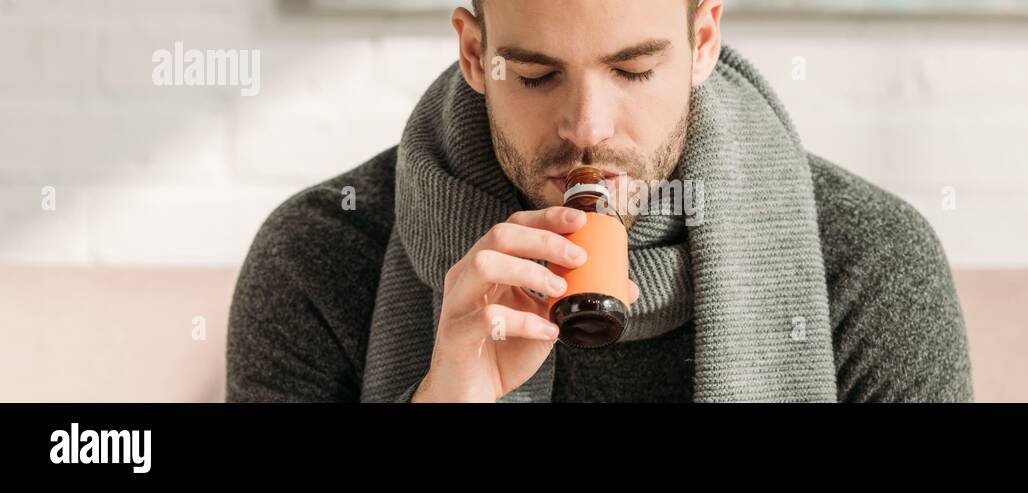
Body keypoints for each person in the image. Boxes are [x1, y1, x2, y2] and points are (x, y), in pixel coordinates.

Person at [226, 0, 973, 403]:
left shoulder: (870, 262)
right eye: (536, 74)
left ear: (704, 39)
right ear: (472, 52)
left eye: (634, 70)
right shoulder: (317, 256)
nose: (587, 129)